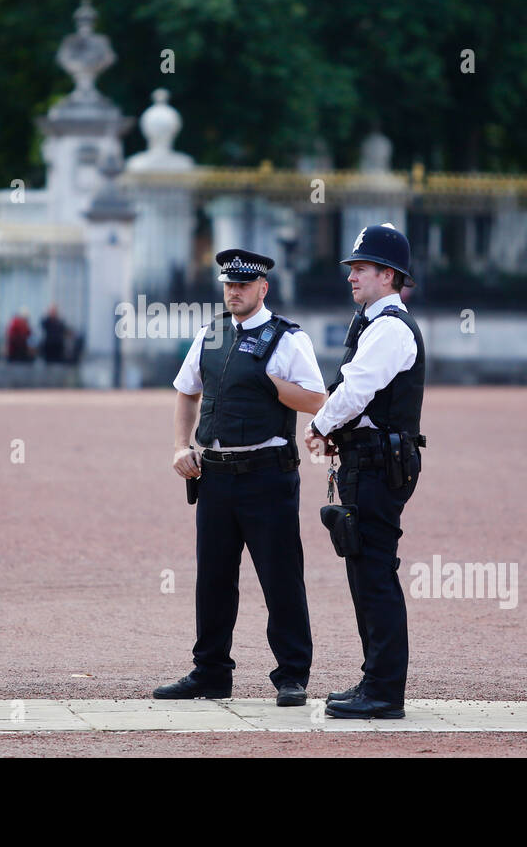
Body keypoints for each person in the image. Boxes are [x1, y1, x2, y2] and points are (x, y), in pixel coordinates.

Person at [158, 248, 327, 707]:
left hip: (267, 476)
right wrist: (180, 446)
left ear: (263, 288)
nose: (235, 291)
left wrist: (273, 386)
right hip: (213, 474)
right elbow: (186, 391)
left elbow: (318, 399)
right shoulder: (210, 334)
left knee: (280, 578)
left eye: (244, 285)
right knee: (212, 579)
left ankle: (292, 675)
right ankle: (210, 672)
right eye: (229, 284)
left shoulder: (288, 339)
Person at [304, 223, 427, 720]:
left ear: (388, 275)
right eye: (352, 268)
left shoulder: (391, 328)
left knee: (375, 574)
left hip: (379, 462)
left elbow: (355, 389)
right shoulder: (374, 323)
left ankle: (383, 690)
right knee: (367, 572)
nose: (352, 276)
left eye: (361, 268)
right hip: (369, 459)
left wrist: (319, 425)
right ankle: (374, 681)